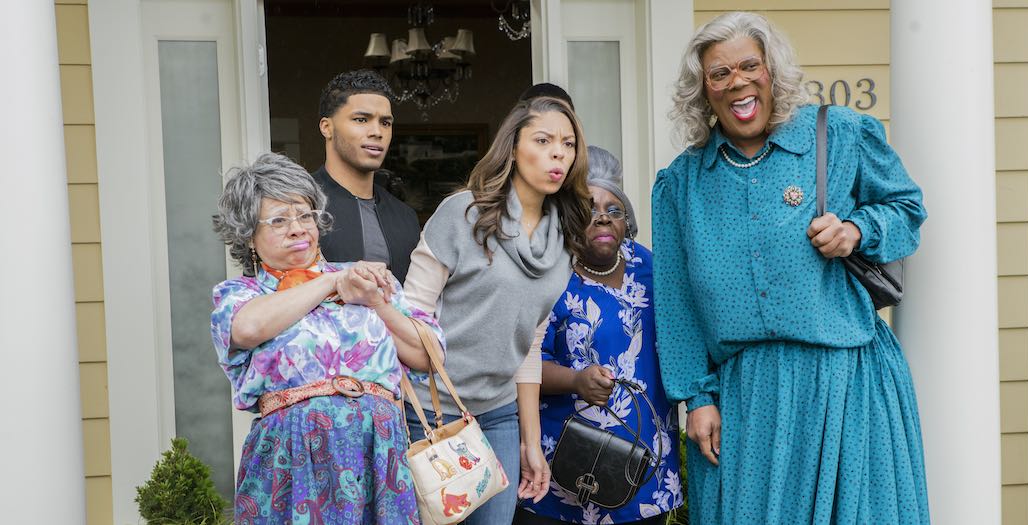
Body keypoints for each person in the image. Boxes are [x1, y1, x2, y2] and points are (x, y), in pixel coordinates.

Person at [653, 12, 929, 525]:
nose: (737, 81)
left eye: (749, 65)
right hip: (744, 400)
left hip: (845, 382)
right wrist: (697, 396)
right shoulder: (682, 185)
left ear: (772, 71)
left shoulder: (841, 134)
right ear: (702, 90)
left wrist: (856, 231)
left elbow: (907, 209)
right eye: (719, 73)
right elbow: (675, 301)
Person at [210, 152, 444, 524]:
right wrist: (330, 281)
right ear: (248, 236)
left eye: (305, 215)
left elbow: (428, 355)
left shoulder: (367, 278)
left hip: (377, 454)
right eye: (279, 220)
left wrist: (376, 303)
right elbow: (249, 329)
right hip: (292, 459)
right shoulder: (242, 294)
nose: (298, 228)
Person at [402, 96, 592, 524]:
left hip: (499, 413)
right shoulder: (463, 212)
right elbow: (411, 312)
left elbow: (530, 342)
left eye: (568, 143)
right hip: (431, 412)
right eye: (543, 140)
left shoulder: (564, 237)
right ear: (512, 148)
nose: (558, 152)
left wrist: (531, 440)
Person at [514, 146, 682, 525]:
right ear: (568, 216)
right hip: (563, 468)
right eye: (589, 209)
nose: (602, 219)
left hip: (645, 464)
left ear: (627, 219)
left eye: (614, 209)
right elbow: (519, 358)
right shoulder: (546, 271)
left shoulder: (649, 265)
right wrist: (575, 379)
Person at [312, 69, 420, 283]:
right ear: (327, 127)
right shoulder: (300, 207)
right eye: (361, 120)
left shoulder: (405, 216)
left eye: (385, 123)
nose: (377, 132)